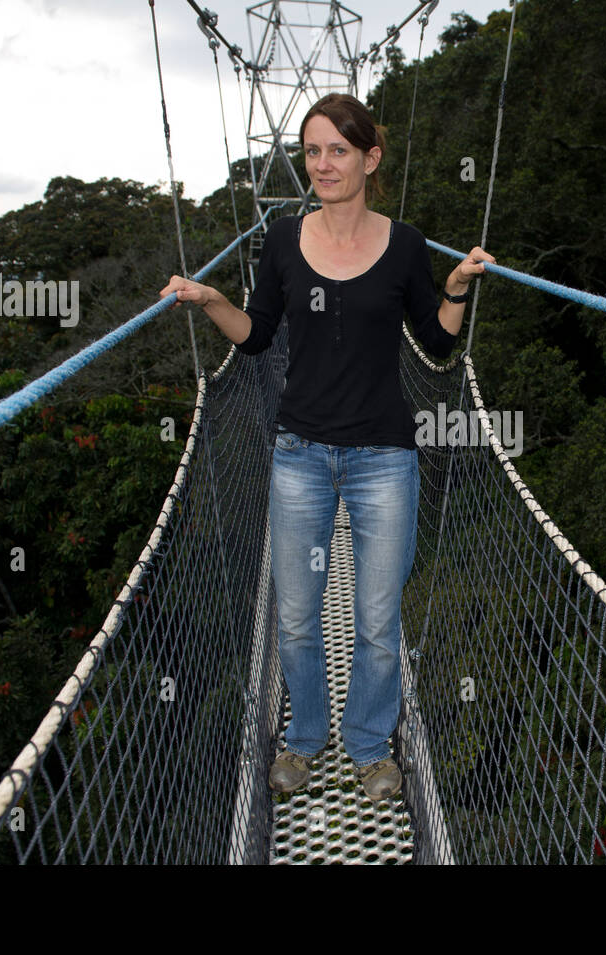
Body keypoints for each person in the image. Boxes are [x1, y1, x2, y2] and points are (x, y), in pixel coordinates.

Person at [159, 92, 494, 801]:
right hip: (300, 454)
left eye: (338, 150)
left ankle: (369, 746)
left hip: (384, 458)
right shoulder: (284, 240)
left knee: (377, 620)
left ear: (370, 159)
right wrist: (211, 299)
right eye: (312, 151)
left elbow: (436, 344)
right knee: (296, 617)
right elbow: (256, 337)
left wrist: (457, 287)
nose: (322, 164)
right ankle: (304, 738)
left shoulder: (405, 244)